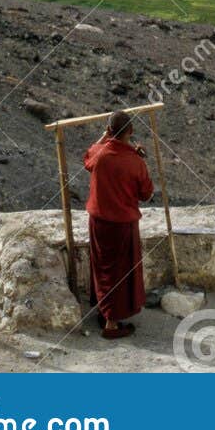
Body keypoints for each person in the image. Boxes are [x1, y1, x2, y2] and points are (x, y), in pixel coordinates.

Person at [83, 111, 155, 341]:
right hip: (123, 224)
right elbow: (146, 193)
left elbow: (87, 158)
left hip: (98, 222)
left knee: (103, 267)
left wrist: (104, 138)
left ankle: (103, 311)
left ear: (109, 130)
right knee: (120, 274)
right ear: (131, 132)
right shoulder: (135, 161)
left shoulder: (100, 153)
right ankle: (111, 325)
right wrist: (141, 160)